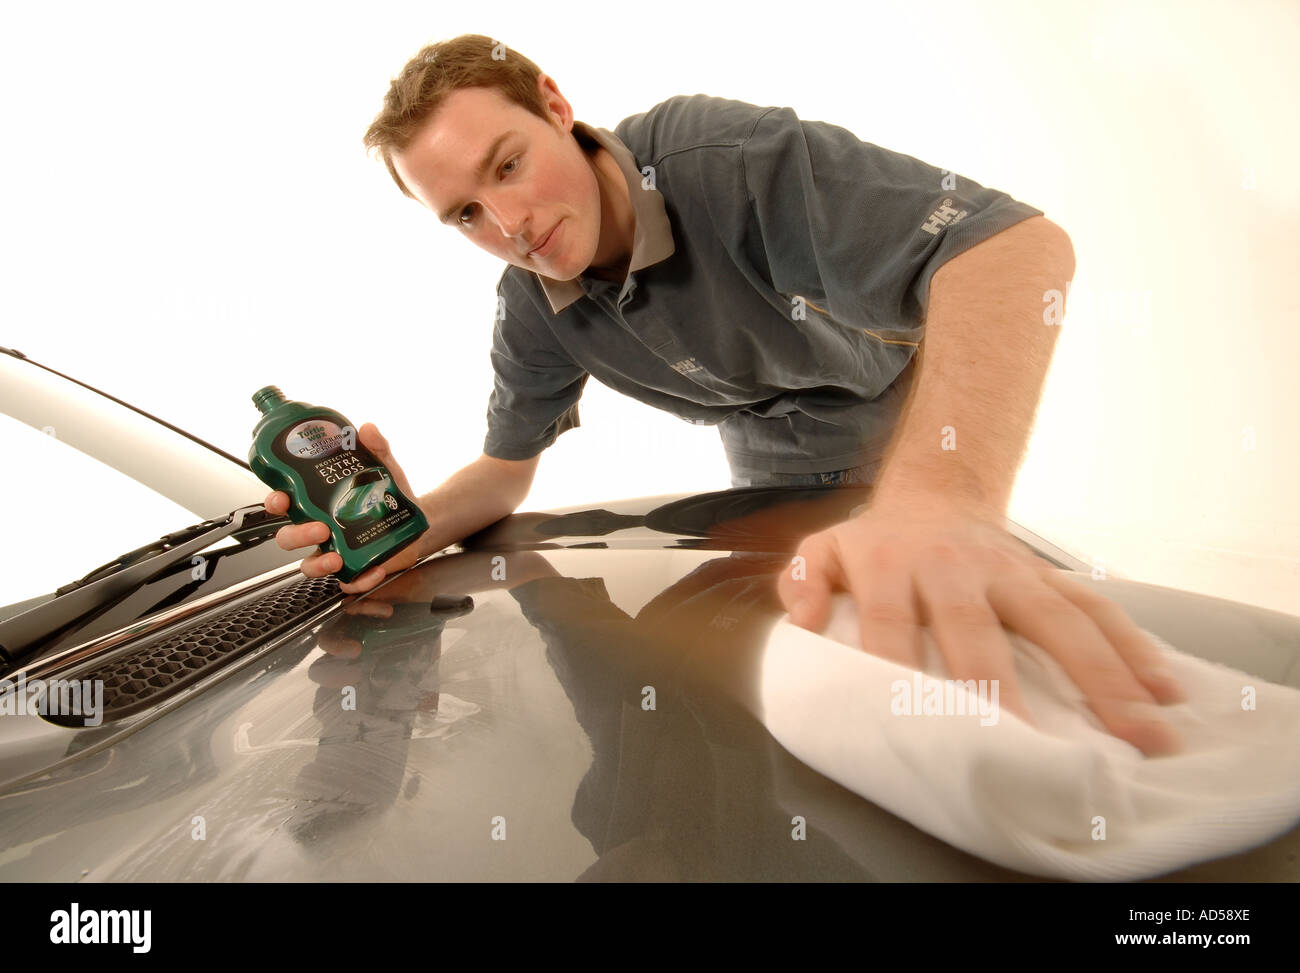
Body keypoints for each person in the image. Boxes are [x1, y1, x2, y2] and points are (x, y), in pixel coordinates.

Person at [265, 34, 1186, 756]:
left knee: (969, 682)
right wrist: (401, 528)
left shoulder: (725, 158)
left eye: (507, 166)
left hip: (914, 431)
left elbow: (1015, 248)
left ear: (555, 105)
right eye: (465, 213)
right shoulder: (530, 307)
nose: (510, 226)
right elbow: (505, 475)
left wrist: (938, 502)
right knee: (801, 704)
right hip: (772, 472)